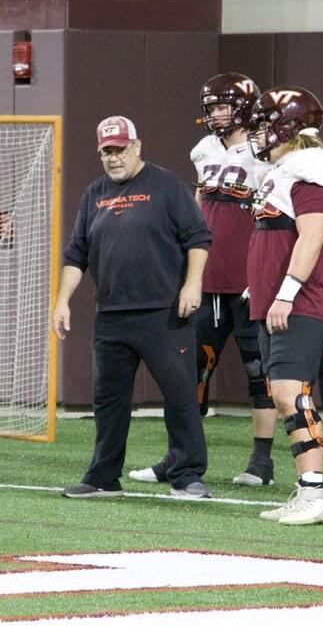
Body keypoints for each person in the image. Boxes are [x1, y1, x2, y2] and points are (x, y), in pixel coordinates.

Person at [129, 72, 277, 487]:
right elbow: (198, 204)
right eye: (210, 107)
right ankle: (179, 457)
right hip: (208, 279)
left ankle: (261, 463)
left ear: (244, 107)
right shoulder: (204, 149)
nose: (215, 115)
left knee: (258, 371)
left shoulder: (265, 149)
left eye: (222, 106)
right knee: (186, 373)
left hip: (250, 279)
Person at [54, 116, 213, 500]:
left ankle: (186, 474)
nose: (113, 158)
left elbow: (198, 237)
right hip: (110, 315)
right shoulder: (94, 193)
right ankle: (103, 476)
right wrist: (62, 300)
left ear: (137, 147)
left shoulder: (167, 185)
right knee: (108, 400)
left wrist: (193, 284)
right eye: (106, 151)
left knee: (179, 395)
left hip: (164, 312)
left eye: (120, 149)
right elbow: (77, 254)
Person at [244, 87, 323, 525]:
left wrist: (287, 290)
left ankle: (316, 494)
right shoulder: (280, 171)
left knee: (291, 393)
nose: (259, 133)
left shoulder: (310, 167)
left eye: (267, 123)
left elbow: (313, 234)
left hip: (300, 301)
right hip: (275, 301)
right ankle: (307, 490)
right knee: (284, 396)